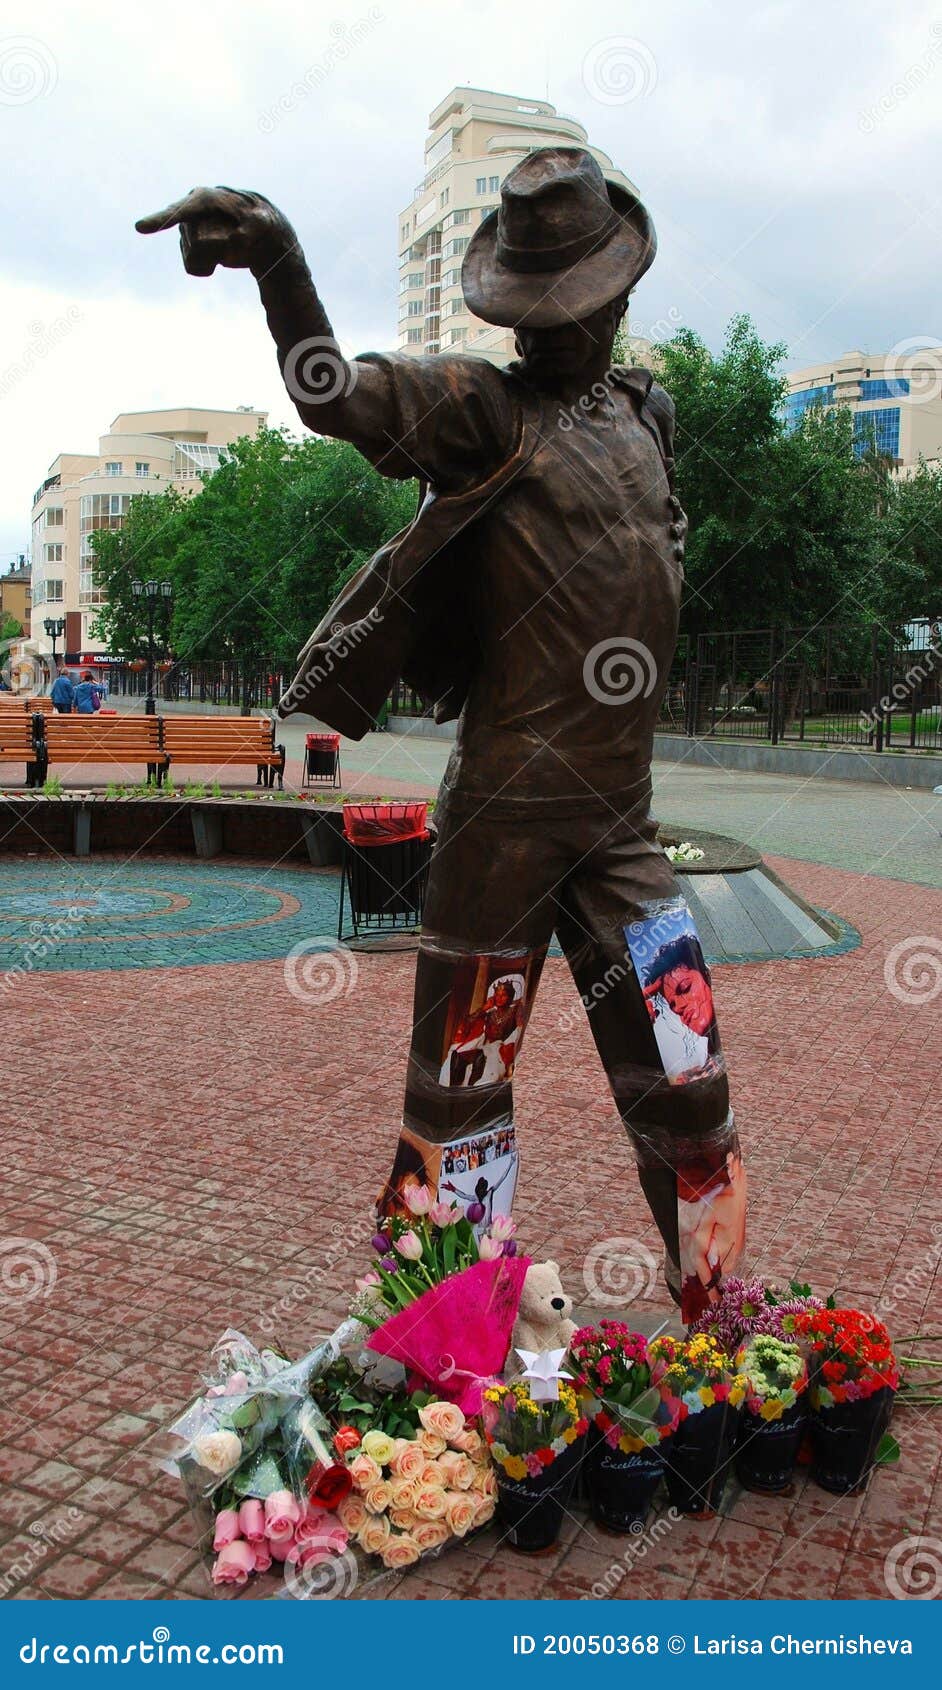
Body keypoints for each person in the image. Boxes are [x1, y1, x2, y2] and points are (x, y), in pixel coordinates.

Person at [137, 150, 745, 1307]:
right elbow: (332, 395)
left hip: (622, 832)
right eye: (536, 311)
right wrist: (279, 260)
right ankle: (445, 1345)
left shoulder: (646, 416)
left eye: (574, 305)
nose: (553, 330)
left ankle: (724, 1326)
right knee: (461, 1098)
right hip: (502, 828)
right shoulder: (482, 409)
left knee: (689, 1076)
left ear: (618, 298)